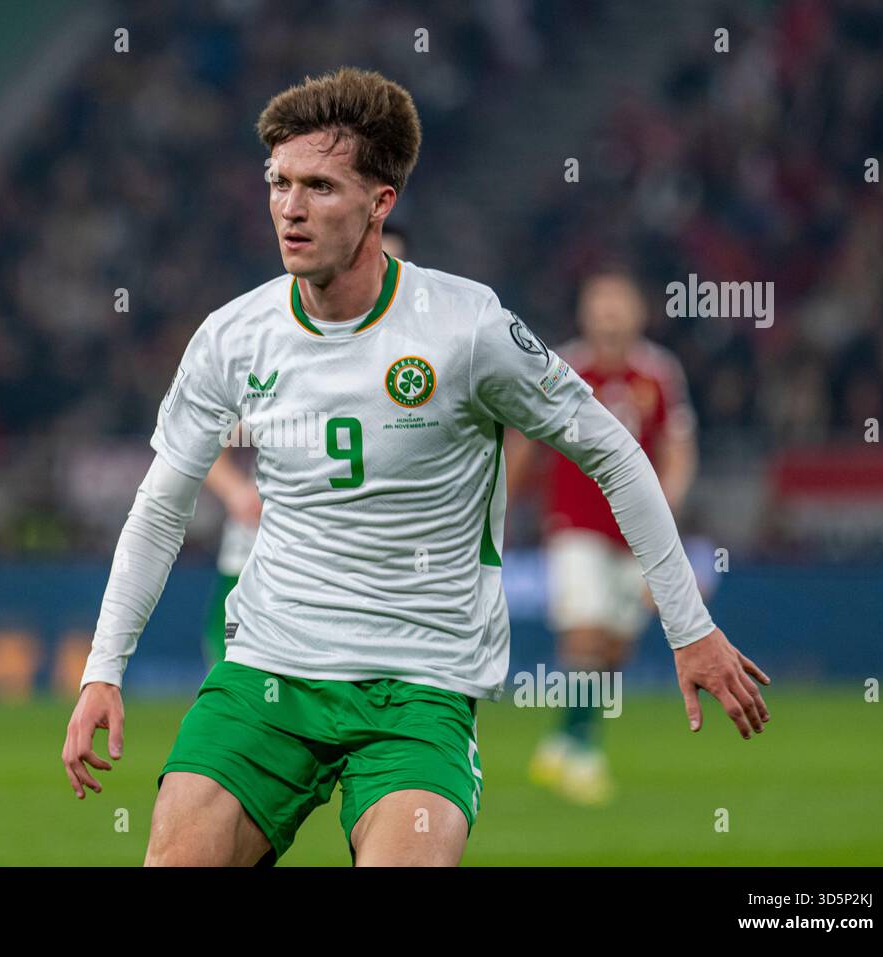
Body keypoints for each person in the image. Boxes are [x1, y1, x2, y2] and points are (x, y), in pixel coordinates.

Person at [62, 67, 769, 867]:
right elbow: (160, 506)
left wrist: (689, 626)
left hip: (419, 687)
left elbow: (612, 448)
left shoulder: (466, 329)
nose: (291, 209)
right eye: (280, 183)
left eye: (321, 187)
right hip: (267, 673)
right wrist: (102, 668)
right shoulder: (232, 336)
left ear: (380, 202)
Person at [507, 270, 700, 805]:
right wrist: (501, 503)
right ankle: (582, 754)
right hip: (575, 523)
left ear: (638, 313)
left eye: (619, 304)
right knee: (586, 633)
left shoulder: (658, 373)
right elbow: (524, 439)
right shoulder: (562, 367)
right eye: (600, 303)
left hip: (637, 533)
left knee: (616, 645)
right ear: (585, 313)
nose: (610, 314)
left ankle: (562, 742)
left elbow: (678, 445)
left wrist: (670, 501)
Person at [198, 227, 409, 670]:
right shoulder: (283, 345)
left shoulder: (412, 365)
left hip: (361, 557)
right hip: (263, 545)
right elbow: (203, 439)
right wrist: (238, 491)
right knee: (234, 672)